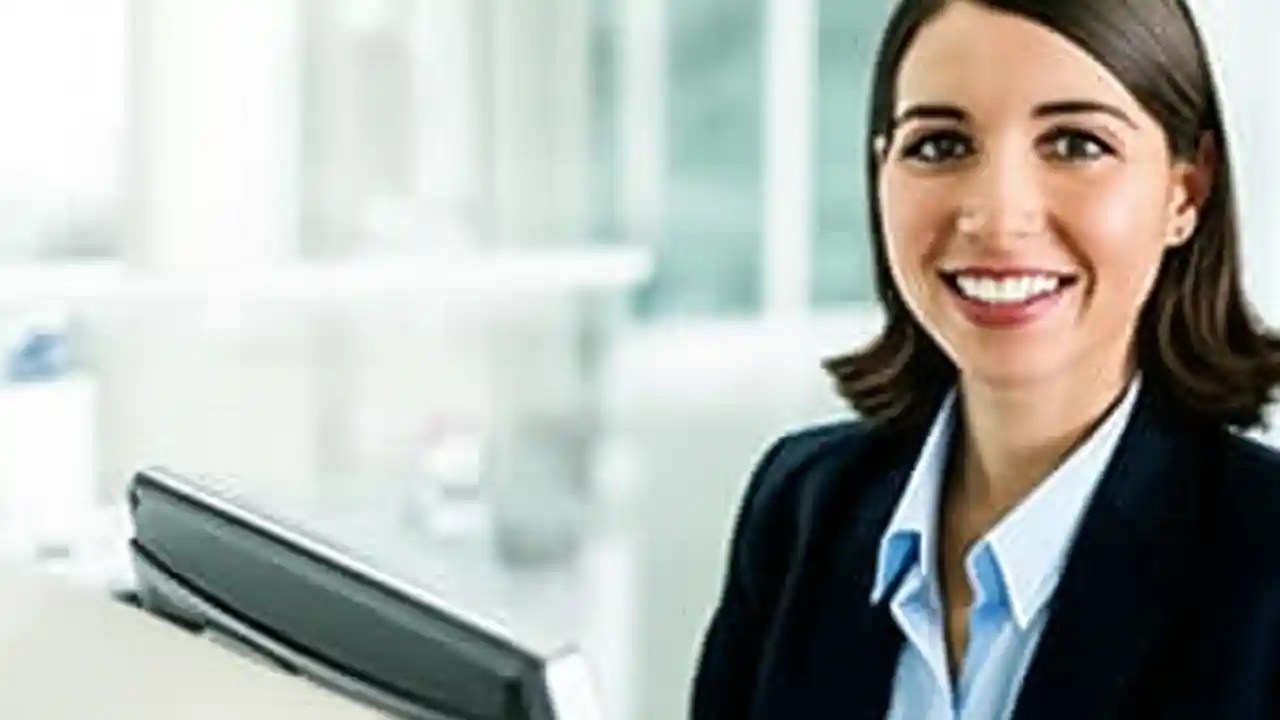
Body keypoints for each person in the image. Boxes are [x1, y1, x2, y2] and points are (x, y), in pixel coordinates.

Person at [691, 0, 1280, 718]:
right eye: (940, 146)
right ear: (883, 176)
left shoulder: (1262, 559)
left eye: (1075, 144)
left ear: (1185, 191)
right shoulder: (803, 506)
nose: (997, 218)